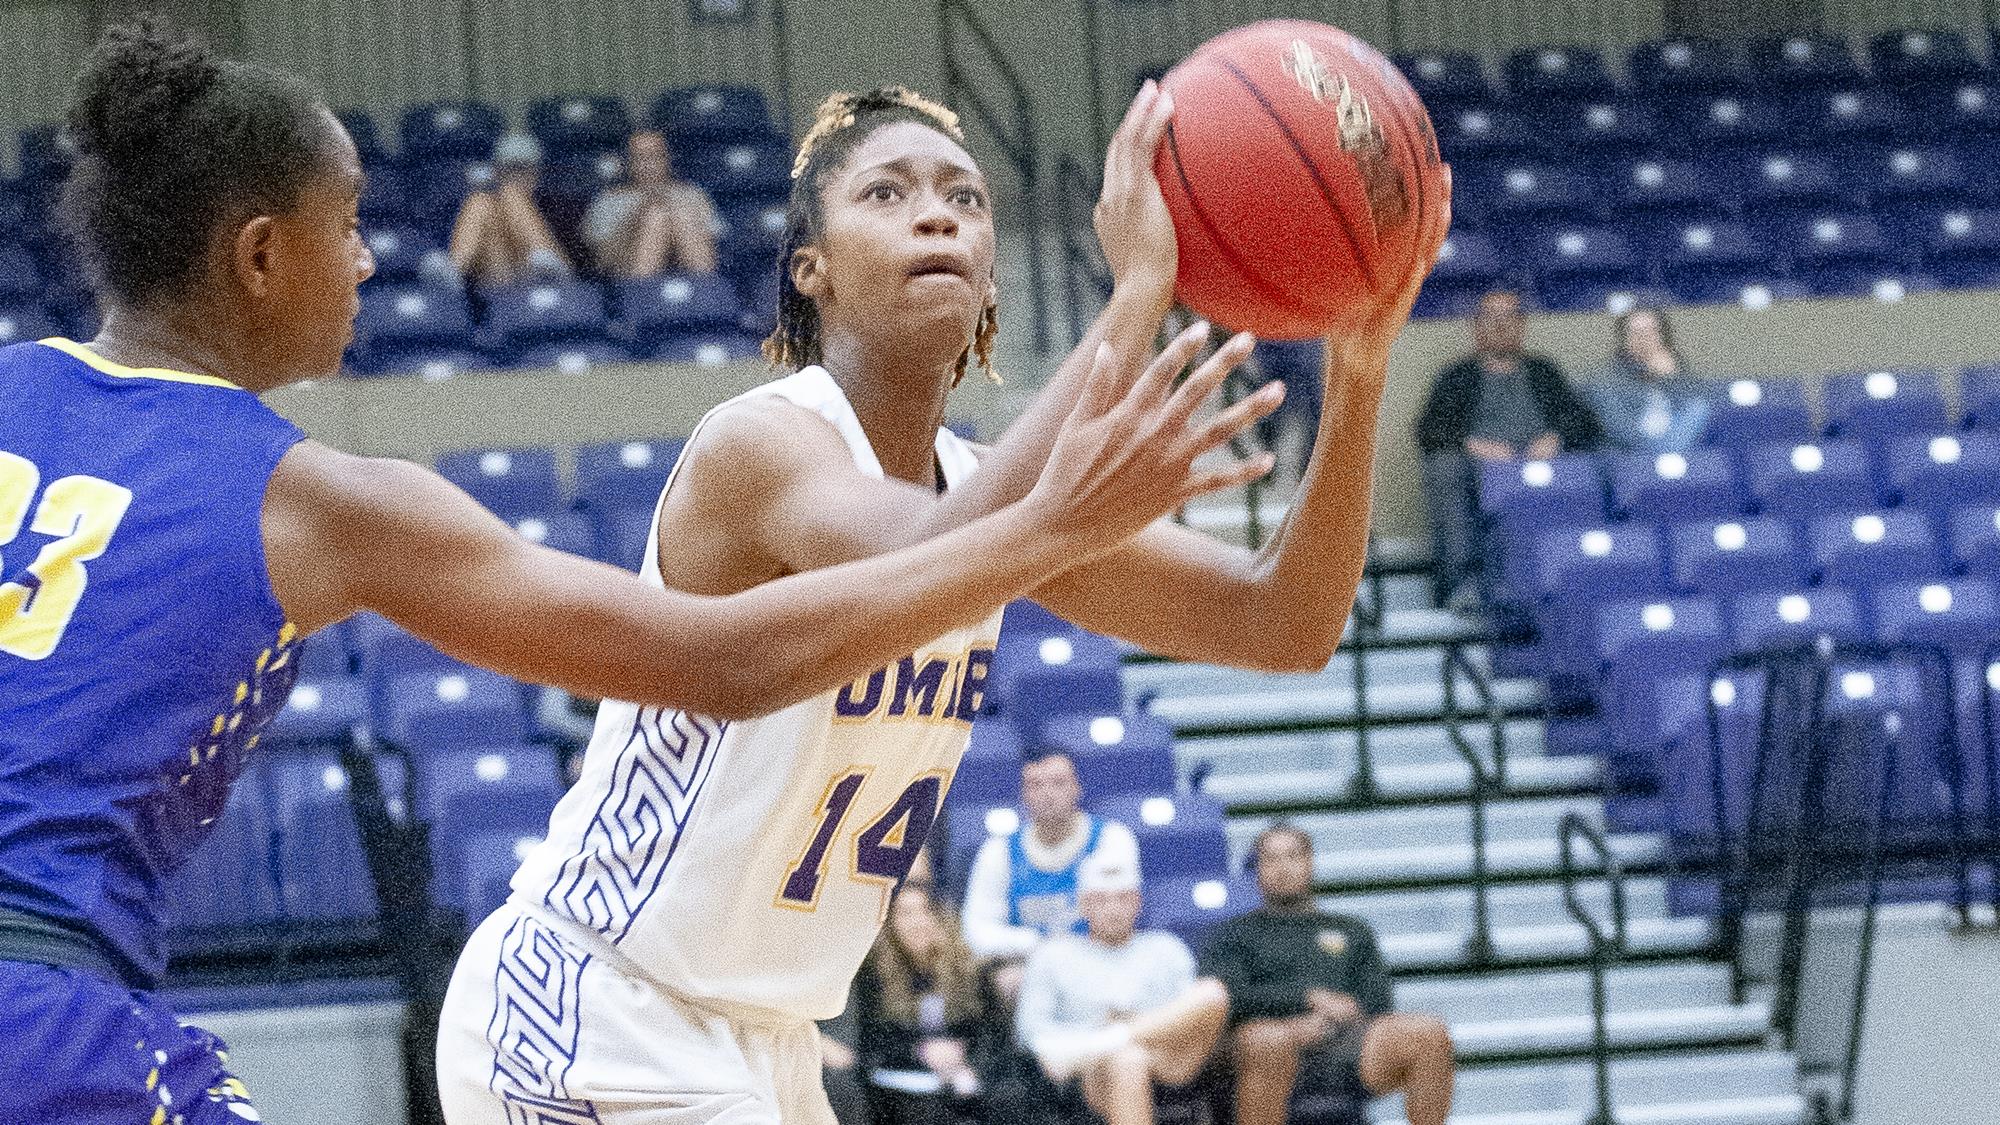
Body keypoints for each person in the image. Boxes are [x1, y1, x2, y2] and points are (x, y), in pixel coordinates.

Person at [0, 21, 1270, 1125]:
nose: (371, 261)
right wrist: (1075, 460)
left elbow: (1274, 619)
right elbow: (727, 664)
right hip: (63, 1009)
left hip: (729, 1031)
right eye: (347, 228)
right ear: (261, 256)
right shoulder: (321, 499)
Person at [437, 78, 1446, 1125]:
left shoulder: (990, 498)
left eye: (965, 198)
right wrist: (1139, 290)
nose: (936, 215)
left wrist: (1358, 370)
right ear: (811, 271)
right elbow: (933, 554)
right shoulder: (763, 442)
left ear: (989, 273)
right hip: (603, 1003)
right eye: (887, 192)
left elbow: (1283, 623)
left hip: (766, 1040)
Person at [1203, 825, 1455, 1125]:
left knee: (1428, 1033)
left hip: (1345, 1043)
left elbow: (1378, 1003)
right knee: (1269, 1041)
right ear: (1257, 870)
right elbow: (1225, 999)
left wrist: (1336, 1021)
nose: (1283, 867)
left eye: (1292, 856)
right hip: (1264, 1046)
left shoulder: (1352, 929)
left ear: (1310, 862)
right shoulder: (1234, 934)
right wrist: (1305, 1002)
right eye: (1271, 859)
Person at [1413, 289, 1603, 607]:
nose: (1500, 325)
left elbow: (1585, 423)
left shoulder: (1544, 372)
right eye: (1491, 317)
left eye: (1509, 317)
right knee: (1444, 468)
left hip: (1542, 465)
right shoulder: (1457, 377)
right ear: (1476, 327)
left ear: (1522, 325)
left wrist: (1555, 439)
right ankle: (1465, 584)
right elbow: (1429, 430)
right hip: (1480, 469)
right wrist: (1473, 445)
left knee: (1589, 463)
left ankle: (1583, 571)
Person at [1013, 851, 1229, 1125]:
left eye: (1123, 898)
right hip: (1088, 1068)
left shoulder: (1167, 948)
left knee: (1212, 992)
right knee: (1127, 1059)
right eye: (1100, 899)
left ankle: (1113, 1039)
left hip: (1167, 1058)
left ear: (1138, 902)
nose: (1113, 909)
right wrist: (1095, 1036)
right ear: (1083, 904)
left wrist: (1124, 1031)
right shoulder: (1052, 954)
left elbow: (1190, 1021)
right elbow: (1030, 1033)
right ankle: (1111, 1044)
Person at [962, 749, 1141, 963]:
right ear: (1023, 794)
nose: (1047, 794)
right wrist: (1041, 947)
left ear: (1077, 788)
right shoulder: (998, 852)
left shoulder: (1112, 838)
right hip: (1028, 966)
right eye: (1036, 785)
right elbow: (976, 933)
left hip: (1101, 962)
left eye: (1058, 783)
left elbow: (1119, 920)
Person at [853, 882, 994, 1124]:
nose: (917, 922)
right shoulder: (873, 973)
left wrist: (963, 1057)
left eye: (926, 911)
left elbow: (990, 1034)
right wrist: (921, 1051)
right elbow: (871, 1041)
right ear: (890, 923)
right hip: (899, 1085)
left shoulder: (970, 971)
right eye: (905, 913)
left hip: (962, 1079)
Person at [582, 129, 724, 278]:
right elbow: (603, 259)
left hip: (687, 274)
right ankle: (643, 291)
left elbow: (715, 245)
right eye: (640, 157)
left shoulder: (692, 194)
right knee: (656, 218)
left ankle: (705, 289)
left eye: (655, 156)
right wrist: (638, 219)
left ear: (667, 159)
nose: (648, 164)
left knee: (681, 215)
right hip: (628, 277)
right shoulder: (609, 199)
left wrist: (673, 226)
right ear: (627, 162)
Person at [446, 130, 574, 287]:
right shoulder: (488, 206)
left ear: (537, 172)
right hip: (500, 285)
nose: (517, 176)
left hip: (557, 286)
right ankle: (451, 273)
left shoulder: (557, 205)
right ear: (497, 173)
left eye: (523, 169)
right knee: (479, 201)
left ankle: (545, 262)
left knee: (511, 194)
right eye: (510, 169)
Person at [1586, 305, 1712, 454]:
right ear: (1624, 339)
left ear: (1663, 336)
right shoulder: (1605, 378)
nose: (1644, 338)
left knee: (1698, 408)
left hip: (1678, 447)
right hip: (1631, 455)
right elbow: (1622, 432)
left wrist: (1670, 378)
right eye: (1636, 332)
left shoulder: (1675, 368)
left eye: (1651, 331)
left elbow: (1702, 407)